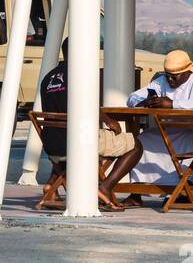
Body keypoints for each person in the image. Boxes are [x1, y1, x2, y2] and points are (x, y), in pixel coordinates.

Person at [39, 39, 144, 211]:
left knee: (64, 143)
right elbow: (88, 105)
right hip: (79, 142)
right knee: (135, 145)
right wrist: (109, 121)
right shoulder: (80, 74)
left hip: (52, 144)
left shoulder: (48, 78)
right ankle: (105, 187)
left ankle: (51, 186)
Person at [126, 49, 193, 189]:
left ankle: (184, 189)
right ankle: (138, 189)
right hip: (171, 130)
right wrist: (144, 102)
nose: (170, 79)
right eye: (168, 75)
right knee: (142, 140)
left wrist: (172, 104)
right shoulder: (162, 81)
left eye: (174, 76)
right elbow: (132, 97)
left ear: (187, 71)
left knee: (189, 139)